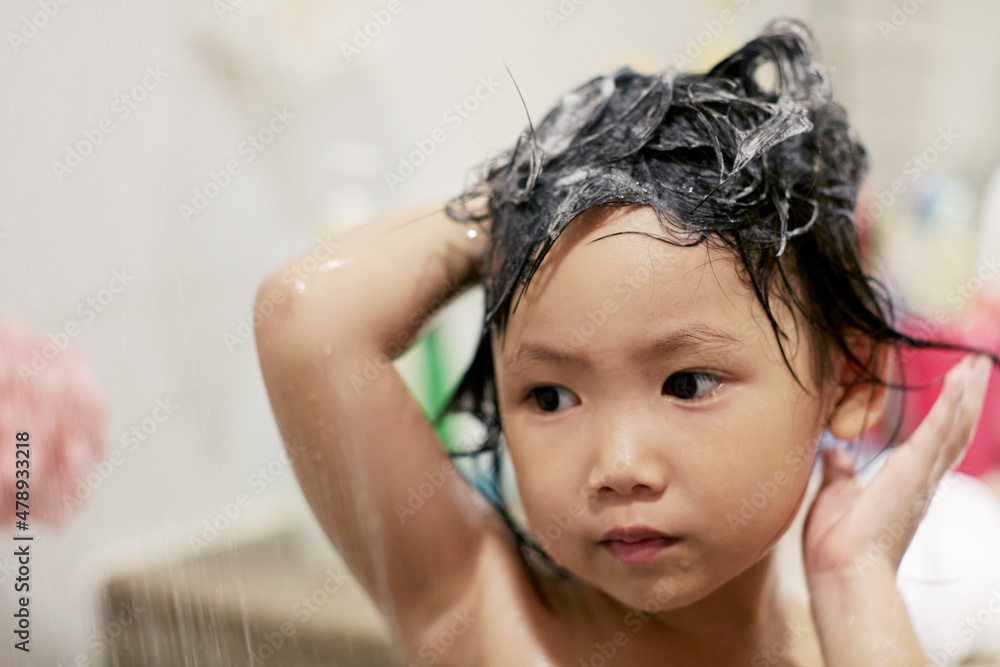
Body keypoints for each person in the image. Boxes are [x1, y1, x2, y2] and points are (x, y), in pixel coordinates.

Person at [255, 18, 998, 666]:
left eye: (687, 383)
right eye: (551, 396)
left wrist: (856, 577)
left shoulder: (849, 638)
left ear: (853, 380)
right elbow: (306, 315)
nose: (618, 467)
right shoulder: (485, 617)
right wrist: (530, 194)